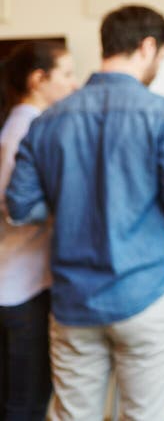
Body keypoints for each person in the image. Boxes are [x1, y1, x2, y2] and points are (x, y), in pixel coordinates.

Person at [6, 5, 164, 421]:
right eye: (161, 55)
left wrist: (68, 200)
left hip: (73, 300)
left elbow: (20, 207)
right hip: (146, 294)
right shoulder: (162, 113)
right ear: (147, 47)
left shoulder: (48, 120)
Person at [0, 40, 77, 420]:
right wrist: (71, 207)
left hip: (22, 283)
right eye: (66, 74)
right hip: (20, 287)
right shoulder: (26, 128)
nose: (74, 84)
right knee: (25, 403)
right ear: (38, 79)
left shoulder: (22, 125)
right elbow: (12, 206)